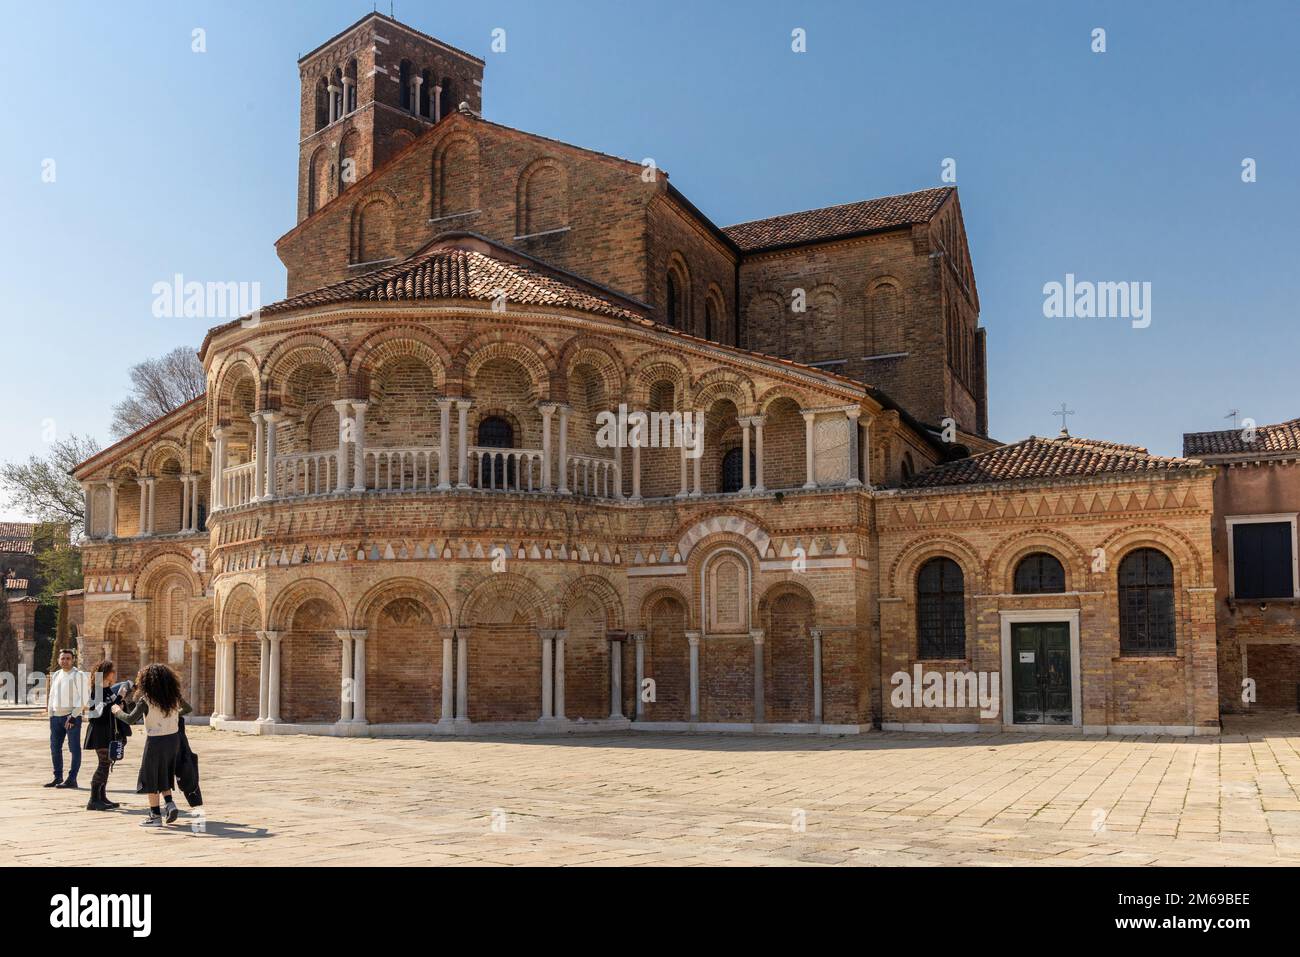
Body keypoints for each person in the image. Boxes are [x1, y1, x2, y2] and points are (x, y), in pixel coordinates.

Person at [112, 664, 192, 827]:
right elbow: (188, 708)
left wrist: (116, 711)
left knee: (150, 777)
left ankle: (155, 815)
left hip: (155, 741)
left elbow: (130, 719)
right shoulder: (174, 697)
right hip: (173, 739)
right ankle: (169, 804)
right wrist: (174, 715)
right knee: (165, 772)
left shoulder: (146, 700)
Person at [82, 660, 133, 811]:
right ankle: (93, 799)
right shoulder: (97, 690)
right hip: (100, 732)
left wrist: (120, 702)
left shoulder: (107, 689)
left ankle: (101, 797)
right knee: (103, 764)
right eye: (112, 671)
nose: (114, 674)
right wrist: (119, 698)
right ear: (106, 674)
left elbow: (113, 708)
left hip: (108, 731)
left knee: (107, 763)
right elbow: (97, 713)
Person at [45, 650, 89, 789]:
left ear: (73, 660)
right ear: (59, 660)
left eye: (68, 658)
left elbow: (84, 697)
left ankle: (72, 779)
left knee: (74, 748)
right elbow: (52, 695)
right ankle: (58, 777)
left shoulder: (78, 675)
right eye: (62, 658)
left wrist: (74, 715)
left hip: (71, 717)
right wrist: (50, 714)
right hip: (56, 718)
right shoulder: (57, 674)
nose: (65, 661)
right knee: (55, 748)